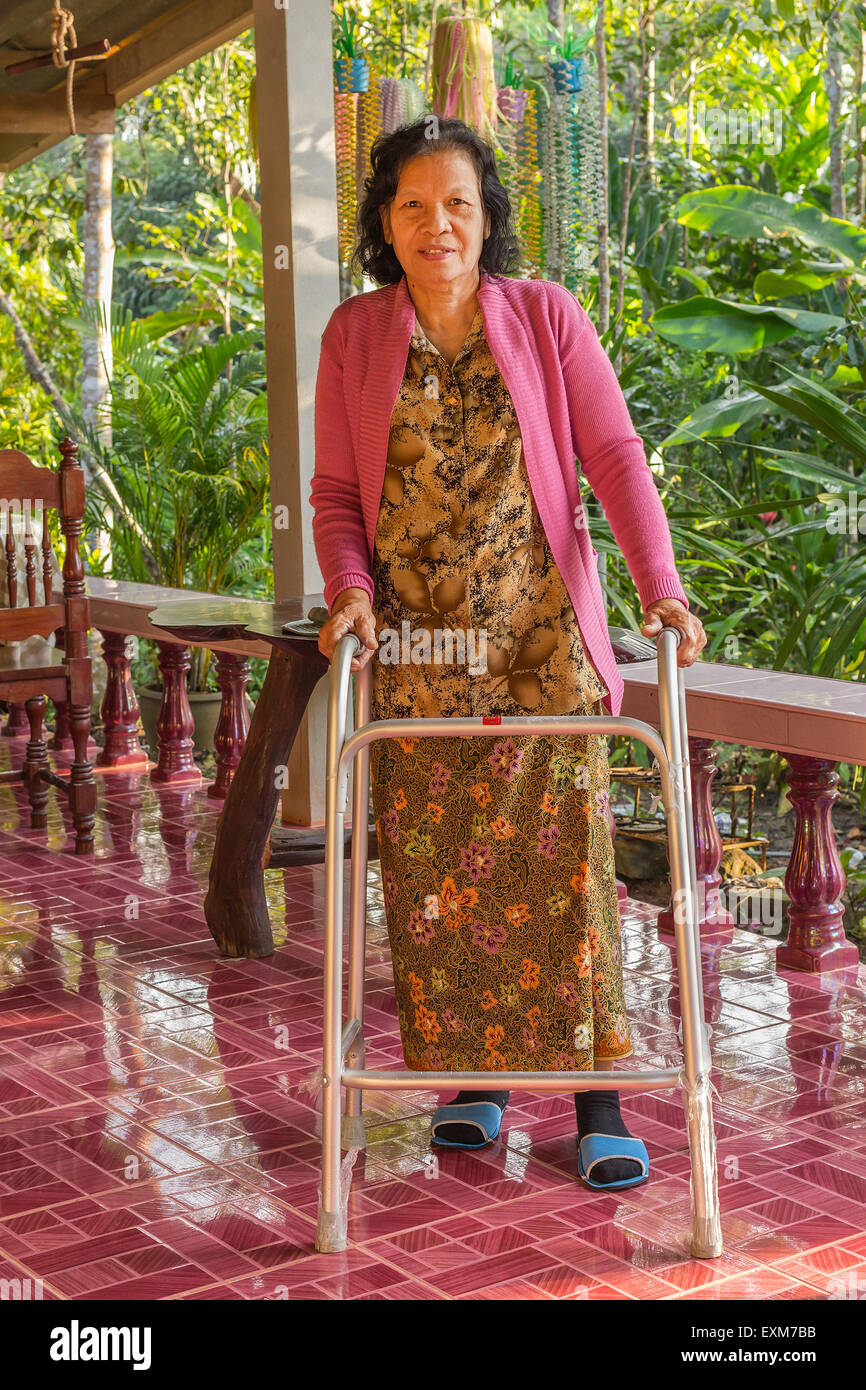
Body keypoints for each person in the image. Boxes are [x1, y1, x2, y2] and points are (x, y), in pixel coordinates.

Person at [310, 117, 706, 1190]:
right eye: (411, 205)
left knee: (563, 872)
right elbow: (338, 496)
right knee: (439, 886)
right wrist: (347, 589)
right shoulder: (352, 334)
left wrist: (659, 588)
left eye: (457, 205)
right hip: (419, 658)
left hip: (539, 643)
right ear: (381, 224)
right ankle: (472, 1082)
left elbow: (614, 456)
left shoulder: (542, 318)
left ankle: (595, 1103)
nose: (435, 224)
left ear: (487, 220)